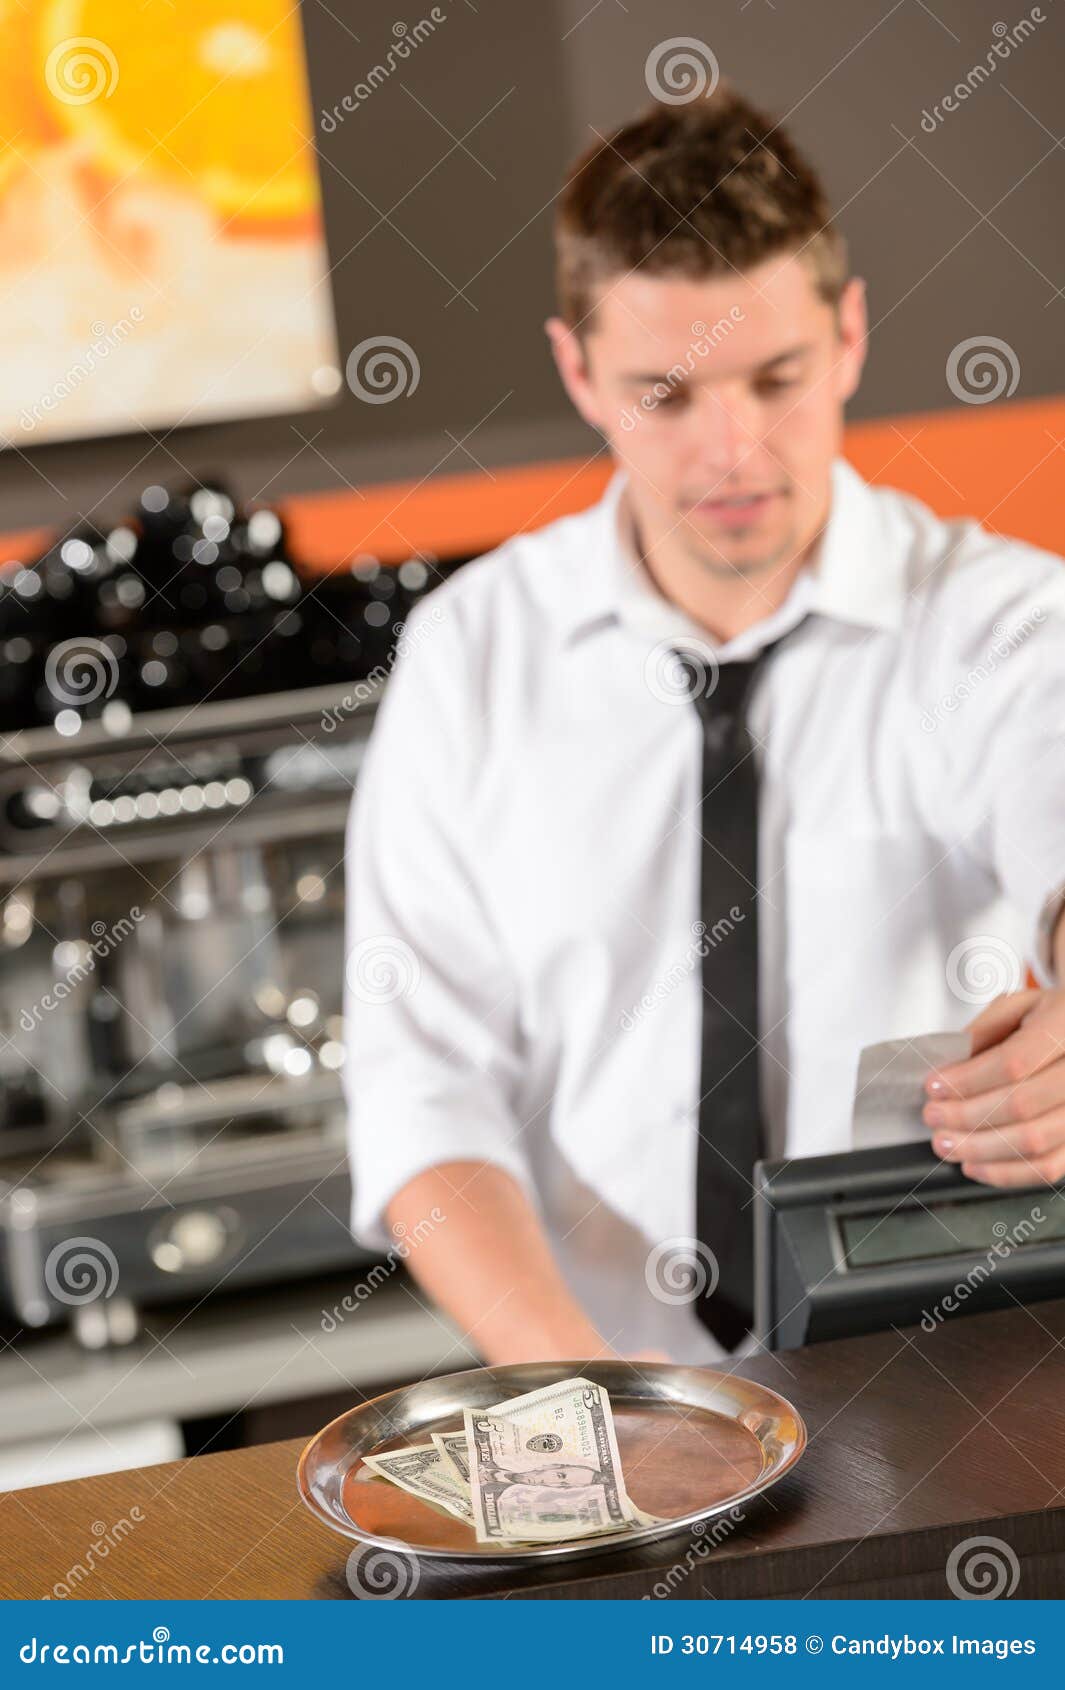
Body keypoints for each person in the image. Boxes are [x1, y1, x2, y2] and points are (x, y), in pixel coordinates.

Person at [343, 87, 1065, 1367]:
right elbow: (424, 1097)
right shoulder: (470, 660)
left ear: (847, 337)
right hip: (597, 1374)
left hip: (956, 1380)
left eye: (776, 379)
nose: (734, 451)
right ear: (578, 371)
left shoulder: (998, 619)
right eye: (666, 395)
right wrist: (607, 1403)